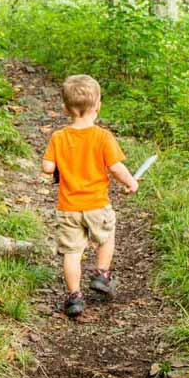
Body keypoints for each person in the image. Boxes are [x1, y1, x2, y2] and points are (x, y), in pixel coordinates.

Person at [41, 75, 138, 318]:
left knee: (72, 252)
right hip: (96, 204)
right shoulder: (103, 137)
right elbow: (116, 168)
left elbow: (47, 168)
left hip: (68, 207)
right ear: (98, 106)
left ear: (65, 108)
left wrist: (60, 164)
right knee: (106, 237)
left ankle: (74, 297)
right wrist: (131, 182)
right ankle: (102, 275)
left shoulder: (59, 137)